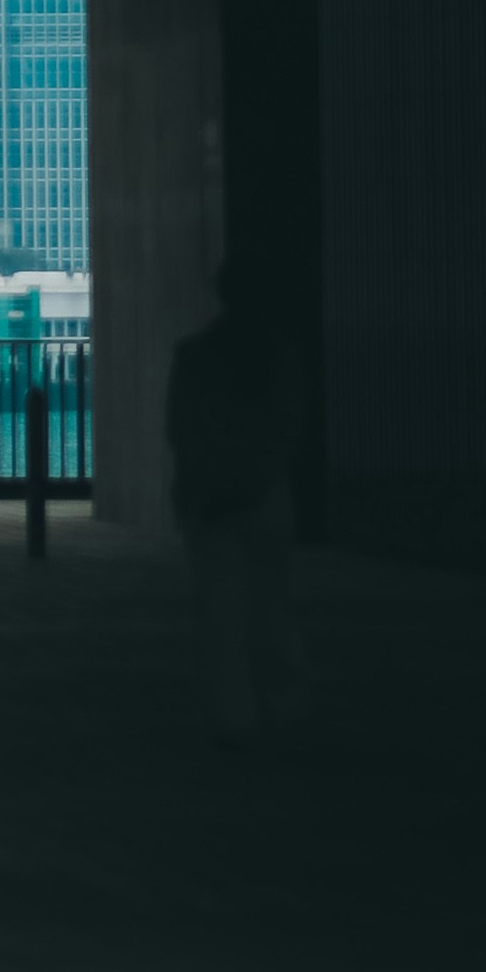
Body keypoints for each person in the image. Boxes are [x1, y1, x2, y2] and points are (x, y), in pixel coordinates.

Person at [164, 265, 299, 744]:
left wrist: (195, 487)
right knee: (272, 605)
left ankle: (233, 716)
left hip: (211, 496)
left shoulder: (194, 356)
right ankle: (280, 710)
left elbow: (181, 432)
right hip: (266, 493)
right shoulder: (278, 357)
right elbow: (288, 426)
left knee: (219, 608)